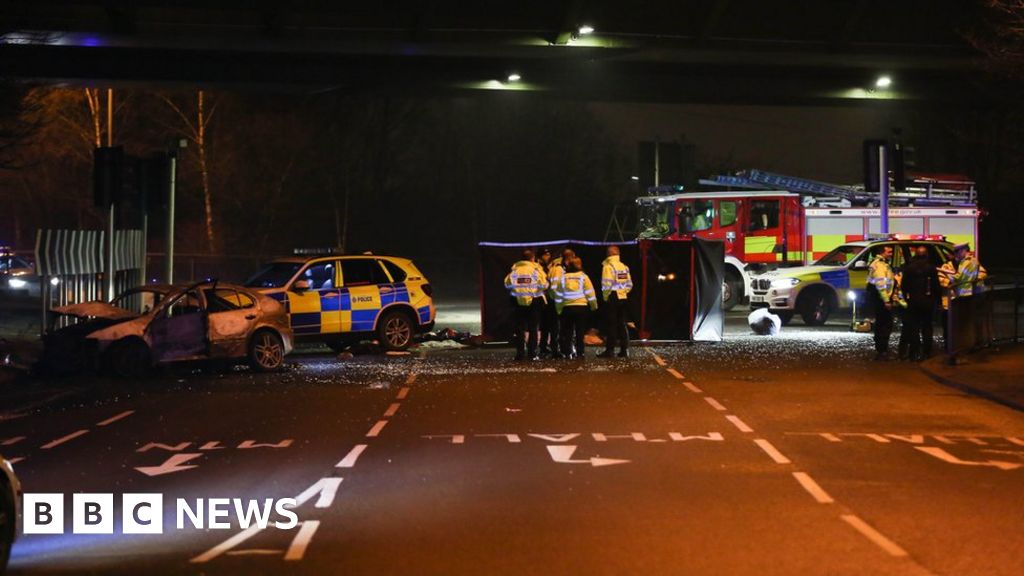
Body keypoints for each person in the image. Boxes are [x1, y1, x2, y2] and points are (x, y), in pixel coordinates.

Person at [503, 248, 548, 361]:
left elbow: (507, 285)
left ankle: (520, 354)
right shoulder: (536, 269)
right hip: (534, 301)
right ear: (532, 258)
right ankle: (532, 354)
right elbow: (543, 285)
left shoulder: (514, 270)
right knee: (533, 328)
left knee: (519, 329)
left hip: (517, 302)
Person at [898, 246, 939, 361]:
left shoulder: (909, 268)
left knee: (914, 328)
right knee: (927, 327)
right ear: (926, 255)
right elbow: (936, 286)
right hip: (928, 301)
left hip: (913, 302)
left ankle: (914, 352)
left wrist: (906, 299)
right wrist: (937, 300)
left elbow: (904, 286)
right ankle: (927, 352)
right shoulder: (931, 268)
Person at [555, 257, 597, 360]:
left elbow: (559, 295)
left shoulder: (563, 278)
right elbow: (590, 293)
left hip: (567, 308)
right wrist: (593, 305)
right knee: (580, 332)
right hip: (581, 308)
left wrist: (559, 309)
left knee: (568, 332)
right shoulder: (583, 277)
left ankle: (568, 352)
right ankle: (580, 353)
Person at [598, 245, 633, 358]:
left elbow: (606, 284)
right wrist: (623, 292)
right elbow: (629, 284)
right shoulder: (624, 267)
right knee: (622, 324)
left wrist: (605, 296)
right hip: (623, 297)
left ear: (609, 254)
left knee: (611, 324)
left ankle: (610, 350)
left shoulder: (608, 266)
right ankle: (624, 350)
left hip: (612, 296)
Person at [867, 245, 898, 360]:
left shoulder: (881, 263)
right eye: (889, 252)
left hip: (879, 298)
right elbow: (880, 285)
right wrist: (886, 300)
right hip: (881, 298)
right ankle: (882, 351)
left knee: (882, 324)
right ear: (882, 252)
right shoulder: (880, 265)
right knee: (885, 325)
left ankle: (881, 350)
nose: (891, 254)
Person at [536, 248, 558, 357]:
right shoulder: (537, 267)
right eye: (545, 255)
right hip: (542, 299)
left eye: (549, 255)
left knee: (552, 325)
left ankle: (552, 347)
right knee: (544, 326)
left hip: (550, 299)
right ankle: (543, 347)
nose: (548, 257)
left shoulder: (550, 267)